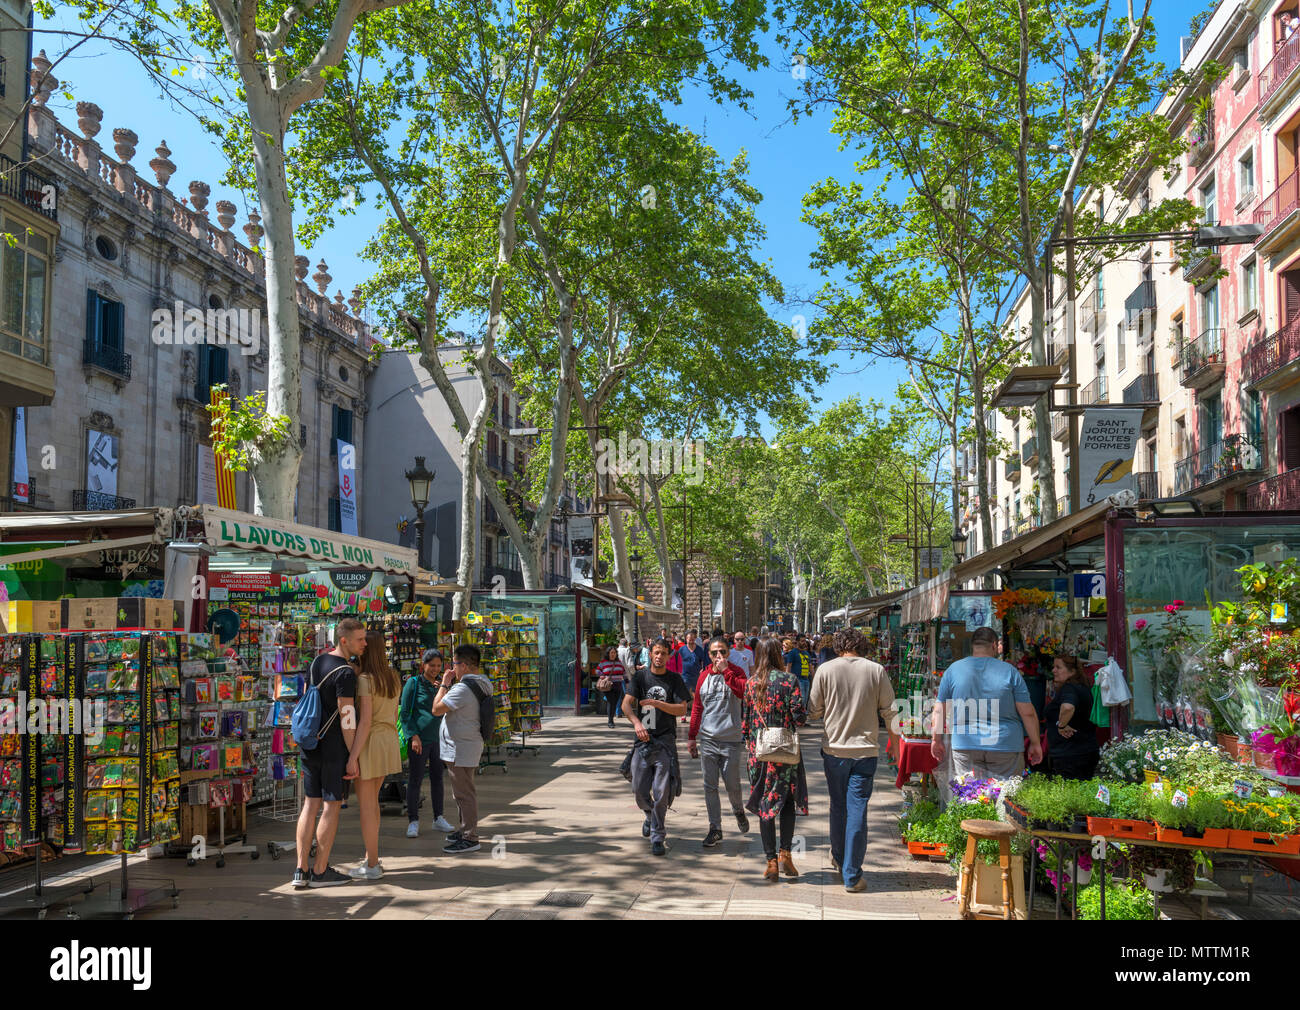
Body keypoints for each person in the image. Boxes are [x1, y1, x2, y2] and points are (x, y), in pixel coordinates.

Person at [808, 627, 897, 893]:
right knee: (857, 809)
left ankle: (838, 856)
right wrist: (896, 744)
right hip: (865, 751)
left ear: (838, 646)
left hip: (834, 751)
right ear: (861, 645)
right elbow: (891, 711)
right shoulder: (876, 670)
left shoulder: (825, 670)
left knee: (838, 806)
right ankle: (852, 874)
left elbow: (813, 712)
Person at [293, 617, 364, 888]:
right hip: (332, 746)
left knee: (309, 804)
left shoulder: (317, 662)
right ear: (344, 640)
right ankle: (320, 871)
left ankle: (300, 870)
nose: (364, 643)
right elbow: (347, 717)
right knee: (331, 806)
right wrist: (353, 754)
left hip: (309, 742)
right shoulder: (345, 673)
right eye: (360, 639)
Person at [930, 626, 1043, 779]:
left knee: (969, 796)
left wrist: (936, 740)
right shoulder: (1010, 672)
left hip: (966, 744)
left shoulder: (953, 670)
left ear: (973, 645)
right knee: (1005, 796)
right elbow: (1028, 713)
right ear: (994, 645)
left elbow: (938, 710)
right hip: (1005, 745)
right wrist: (1036, 743)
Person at [742, 639, 808, 882]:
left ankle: (770, 862)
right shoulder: (789, 681)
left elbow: (745, 723)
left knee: (764, 806)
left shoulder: (751, 684)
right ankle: (786, 854)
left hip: (759, 755)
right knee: (787, 803)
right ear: (779, 654)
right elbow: (799, 718)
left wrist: (751, 748)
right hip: (785, 754)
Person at [622, 638, 691, 855]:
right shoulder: (640, 677)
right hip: (643, 742)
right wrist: (636, 722)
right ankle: (650, 816)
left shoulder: (674, 679)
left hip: (665, 741)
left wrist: (658, 704)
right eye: (656, 652)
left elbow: (682, 710)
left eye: (663, 653)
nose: (659, 656)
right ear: (650, 654)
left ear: (669, 656)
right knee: (639, 790)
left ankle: (658, 836)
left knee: (662, 792)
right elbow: (626, 704)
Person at [347, 629, 403, 879]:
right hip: (389, 739)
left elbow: (365, 721)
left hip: (370, 741)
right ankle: (372, 857)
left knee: (367, 806)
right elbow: (393, 714)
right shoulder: (392, 676)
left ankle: (371, 864)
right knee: (373, 803)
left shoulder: (365, 680)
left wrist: (352, 756)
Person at [432, 643, 494, 853]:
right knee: (461, 792)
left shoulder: (462, 688)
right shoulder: (482, 683)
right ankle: (465, 829)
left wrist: (443, 684)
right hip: (466, 745)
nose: (452, 668)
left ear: (465, 666)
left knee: (464, 793)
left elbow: (436, 709)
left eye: (455, 664)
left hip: (460, 748)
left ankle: (470, 837)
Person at [688, 636, 750, 848]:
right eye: (714, 653)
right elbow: (697, 707)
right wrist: (691, 737)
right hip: (708, 739)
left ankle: (738, 810)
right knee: (709, 786)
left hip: (731, 739)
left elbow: (743, 692)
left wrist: (726, 671)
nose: (718, 656)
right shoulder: (704, 675)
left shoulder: (736, 672)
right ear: (709, 654)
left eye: (722, 652)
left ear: (729, 651)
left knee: (732, 785)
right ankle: (715, 828)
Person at [400, 649, 455, 838]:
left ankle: (438, 817)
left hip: (438, 740)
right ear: (423, 665)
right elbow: (405, 713)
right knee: (415, 780)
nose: (435, 669)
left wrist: (444, 687)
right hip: (419, 741)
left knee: (438, 779)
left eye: (439, 666)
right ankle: (413, 821)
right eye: (432, 665)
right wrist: (413, 736)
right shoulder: (413, 684)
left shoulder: (440, 686)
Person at [1045, 654, 1100, 779]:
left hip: (1070, 755)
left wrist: (1061, 725)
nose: (1054, 670)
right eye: (1054, 667)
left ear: (1072, 671)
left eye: (1058, 667)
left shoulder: (1069, 688)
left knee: (1069, 795)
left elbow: (1068, 707)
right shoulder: (1082, 687)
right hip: (1083, 751)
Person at [595, 645, 628, 728]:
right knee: (611, 702)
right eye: (611, 653)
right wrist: (602, 676)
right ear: (608, 653)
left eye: (614, 653)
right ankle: (610, 721)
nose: (613, 654)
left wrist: (627, 682)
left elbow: (624, 673)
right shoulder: (603, 662)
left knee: (615, 703)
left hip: (618, 685)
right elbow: (597, 670)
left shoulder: (619, 662)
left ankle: (611, 719)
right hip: (608, 686)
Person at [667, 629, 708, 696]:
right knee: (686, 695)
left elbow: (703, 661)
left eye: (693, 638)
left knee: (696, 696)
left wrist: (702, 669)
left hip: (696, 677)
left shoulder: (699, 649)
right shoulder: (682, 650)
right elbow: (677, 662)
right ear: (686, 639)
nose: (691, 640)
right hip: (685, 677)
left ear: (695, 638)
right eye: (689, 639)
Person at [783, 637, 810, 703]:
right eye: (802, 641)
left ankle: (804, 712)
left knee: (805, 700)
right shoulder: (792, 653)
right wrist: (787, 679)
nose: (804, 643)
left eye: (805, 641)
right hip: (798, 680)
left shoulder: (806, 653)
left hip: (806, 679)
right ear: (797, 642)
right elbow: (788, 666)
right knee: (801, 700)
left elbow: (811, 667)